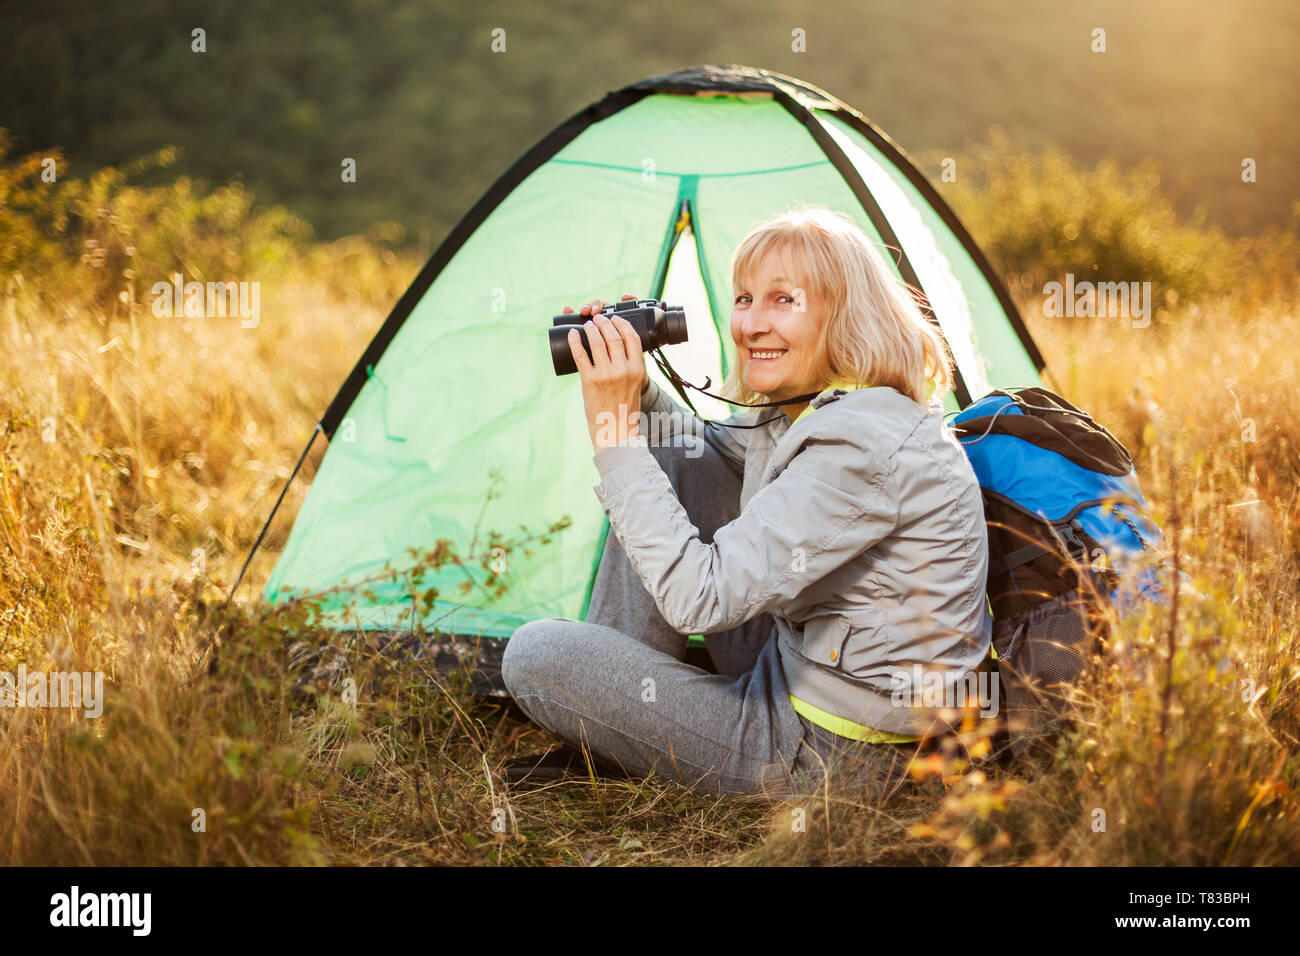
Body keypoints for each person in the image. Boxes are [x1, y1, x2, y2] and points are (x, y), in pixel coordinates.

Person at [501, 204, 992, 800]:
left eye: (785, 300)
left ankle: (617, 721)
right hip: (799, 662)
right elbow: (699, 458)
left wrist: (613, 431)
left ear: (845, 315)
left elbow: (698, 598)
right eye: (744, 299)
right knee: (675, 458)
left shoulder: (860, 446)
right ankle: (620, 722)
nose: (752, 325)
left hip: (834, 751)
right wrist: (636, 386)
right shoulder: (823, 403)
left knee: (533, 654)